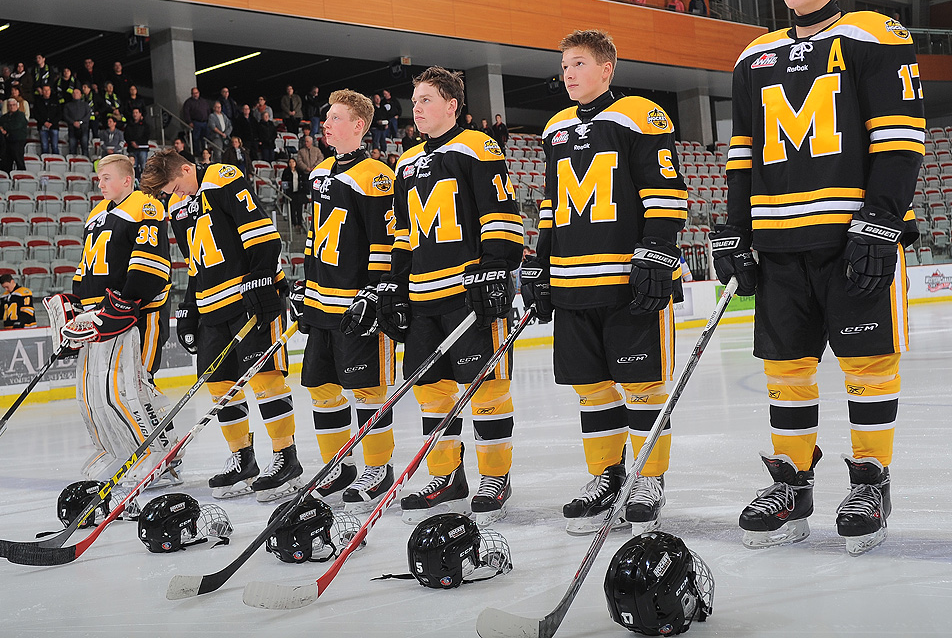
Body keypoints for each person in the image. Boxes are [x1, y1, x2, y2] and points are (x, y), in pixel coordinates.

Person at [712, 0, 924, 556]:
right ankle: (792, 481)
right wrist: (732, 230)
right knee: (786, 371)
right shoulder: (754, 58)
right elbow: (743, 154)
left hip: (851, 240)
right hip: (780, 245)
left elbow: (899, 138)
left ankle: (868, 479)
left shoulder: (875, 36)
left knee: (867, 367)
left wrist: (881, 219)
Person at [522, 29, 687, 536]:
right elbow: (551, 206)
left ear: (606, 69)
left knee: (641, 387)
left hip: (627, 281)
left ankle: (646, 479)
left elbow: (664, 189)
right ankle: (606, 476)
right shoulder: (554, 128)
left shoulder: (639, 114)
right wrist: (539, 263)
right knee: (591, 390)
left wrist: (657, 250)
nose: (567, 73)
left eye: (577, 64)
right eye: (564, 65)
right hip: (572, 282)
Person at [378, 67, 525, 527]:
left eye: (426, 99)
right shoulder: (405, 164)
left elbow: (500, 213)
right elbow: (403, 235)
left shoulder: (478, 146)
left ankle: (494, 476)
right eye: (415, 100)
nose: (416, 108)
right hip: (423, 298)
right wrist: (396, 288)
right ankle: (446, 475)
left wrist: (497, 269)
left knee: (486, 389)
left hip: (469, 293)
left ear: (451, 106)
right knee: (431, 392)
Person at [141, 148, 301, 503]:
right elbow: (195, 264)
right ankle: (243, 459)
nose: (175, 195)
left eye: (175, 186)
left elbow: (262, 234)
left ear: (187, 167)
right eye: (169, 192)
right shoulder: (177, 207)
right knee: (220, 386)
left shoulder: (222, 177)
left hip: (249, 301)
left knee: (265, 380)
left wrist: (261, 277)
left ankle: (285, 458)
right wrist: (188, 307)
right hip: (211, 309)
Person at [290, 88, 398, 514]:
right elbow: (317, 238)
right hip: (321, 304)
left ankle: (378, 467)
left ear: (358, 126)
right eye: (326, 118)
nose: (325, 125)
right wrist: (304, 285)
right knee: (321, 387)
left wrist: (374, 293)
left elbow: (382, 242)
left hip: (356, 306)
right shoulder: (320, 174)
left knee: (368, 390)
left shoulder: (376, 174)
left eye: (335, 118)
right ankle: (339, 466)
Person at [64, 154, 178, 485]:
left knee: (138, 380)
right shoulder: (97, 214)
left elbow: (152, 263)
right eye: (98, 178)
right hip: (106, 313)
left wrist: (128, 300)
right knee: (107, 387)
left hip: (140, 311)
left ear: (126, 180)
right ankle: (131, 446)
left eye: (105, 177)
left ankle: (161, 452)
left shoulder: (146, 205)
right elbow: (87, 263)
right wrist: (77, 300)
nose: (99, 183)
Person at [0, 98, 27, 173]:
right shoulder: (5, 116)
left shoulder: (21, 115)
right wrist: (1, 129)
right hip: (7, 142)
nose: (12, 107)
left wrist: (4, 128)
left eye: (13, 105)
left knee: (19, 161)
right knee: (6, 162)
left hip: (17, 142)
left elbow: (16, 125)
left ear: (17, 106)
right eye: (10, 105)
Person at [33, 84, 61, 157]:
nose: (46, 92)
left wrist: (51, 123)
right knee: (44, 146)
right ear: (42, 91)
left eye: (48, 90)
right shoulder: (38, 101)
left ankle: (56, 163)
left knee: (55, 146)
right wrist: (44, 122)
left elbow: (59, 113)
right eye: (45, 90)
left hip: (54, 126)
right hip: (42, 126)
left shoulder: (55, 100)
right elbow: (36, 114)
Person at [279, 157, 307, 228]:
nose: (292, 164)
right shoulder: (286, 171)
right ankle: (294, 223)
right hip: (291, 193)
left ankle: (300, 222)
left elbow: (303, 181)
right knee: (292, 208)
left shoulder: (299, 171)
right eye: (290, 162)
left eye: (293, 162)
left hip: (299, 192)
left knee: (299, 209)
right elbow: (284, 181)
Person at [63, 87, 91, 156]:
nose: (75, 94)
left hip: (84, 128)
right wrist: (73, 122)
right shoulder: (68, 105)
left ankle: (85, 163)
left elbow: (88, 115)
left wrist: (80, 122)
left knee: (85, 147)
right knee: (72, 148)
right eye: (74, 93)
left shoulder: (85, 105)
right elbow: (65, 116)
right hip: (72, 129)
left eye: (77, 93)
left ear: (81, 95)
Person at [125, 106, 151, 177]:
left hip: (142, 148)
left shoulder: (146, 125)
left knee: (143, 166)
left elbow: (146, 136)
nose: (135, 114)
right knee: (133, 167)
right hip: (132, 149)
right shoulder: (129, 125)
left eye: (136, 112)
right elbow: (126, 135)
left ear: (140, 114)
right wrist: (132, 142)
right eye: (133, 113)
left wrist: (138, 143)